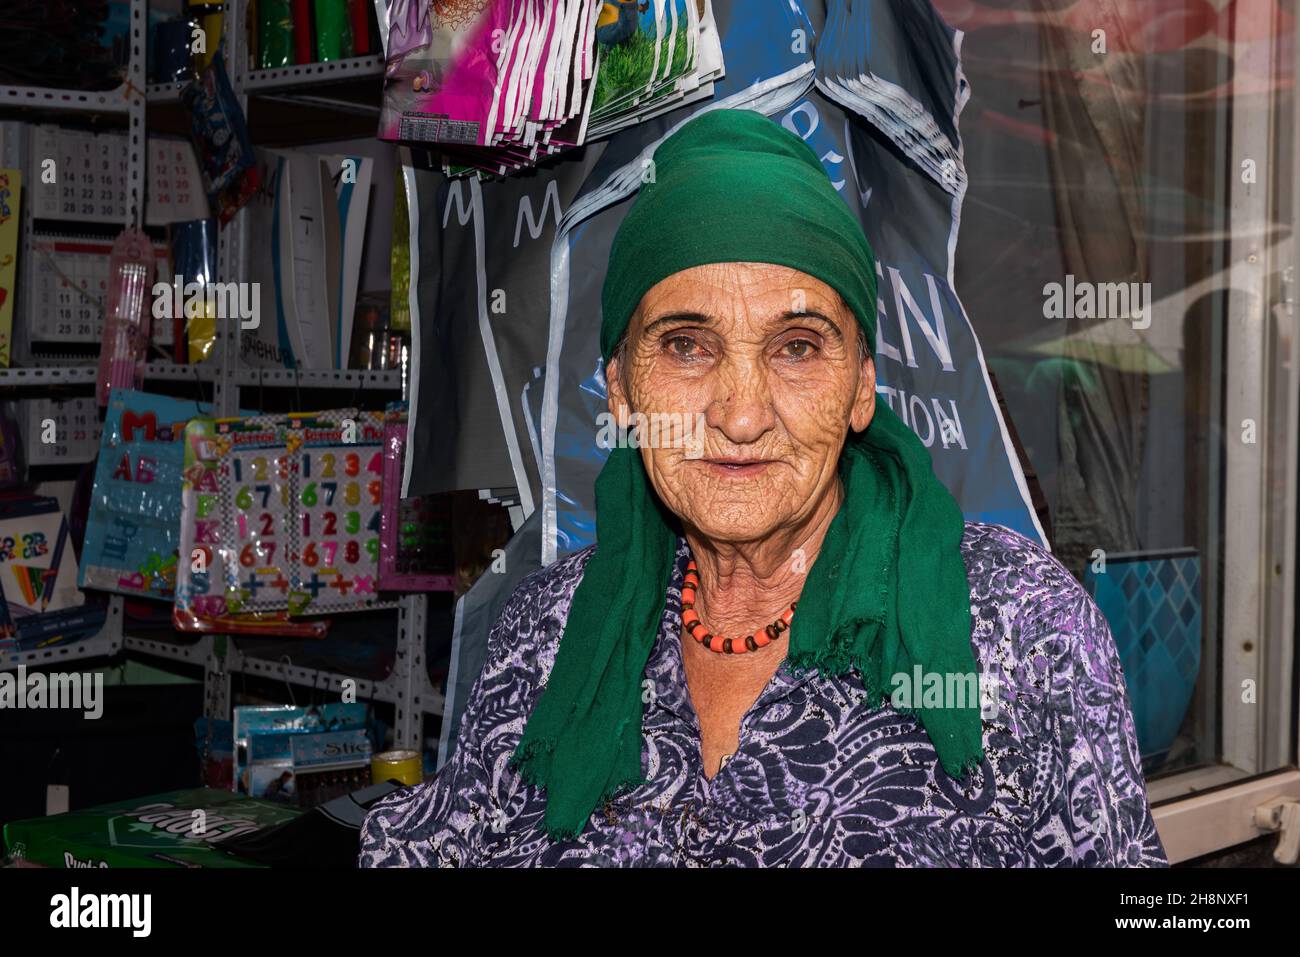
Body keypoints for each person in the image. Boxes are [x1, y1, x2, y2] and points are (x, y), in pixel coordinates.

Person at [360, 108, 1168, 867]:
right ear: (620, 391)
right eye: (685, 345)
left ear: (860, 387)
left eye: (797, 347)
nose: (741, 416)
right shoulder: (545, 634)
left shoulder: (1025, 634)